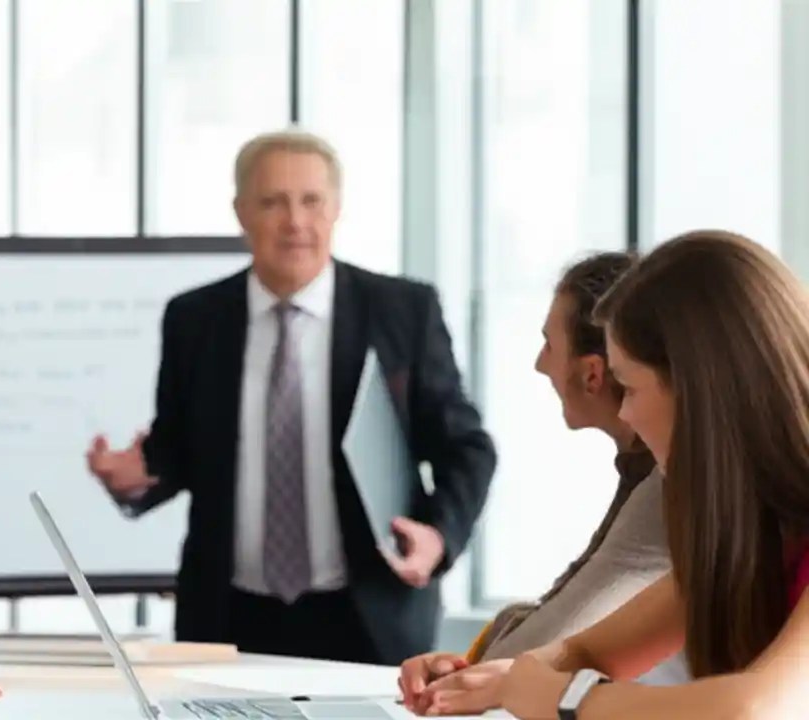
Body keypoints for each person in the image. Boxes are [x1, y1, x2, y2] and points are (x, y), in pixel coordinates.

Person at [85, 129, 497, 665]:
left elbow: (466, 447)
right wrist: (136, 477)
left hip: (368, 617)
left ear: (336, 208)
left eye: (311, 201)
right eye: (272, 202)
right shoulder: (194, 319)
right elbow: (181, 450)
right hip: (227, 619)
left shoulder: (402, 310)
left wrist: (439, 537)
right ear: (240, 212)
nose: (295, 221)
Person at [402, 230, 809, 718]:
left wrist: (565, 698)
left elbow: (755, 709)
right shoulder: (752, 533)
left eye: (631, 389)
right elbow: (580, 652)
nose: (628, 415)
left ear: (700, 394)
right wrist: (482, 678)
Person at [398, 252, 676, 713]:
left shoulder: (669, 484)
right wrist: (470, 670)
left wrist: (479, 672)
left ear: (593, 374)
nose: (538, 365)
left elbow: (554, 646)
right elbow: (567, 630)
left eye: (548, 344)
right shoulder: (642, 467)